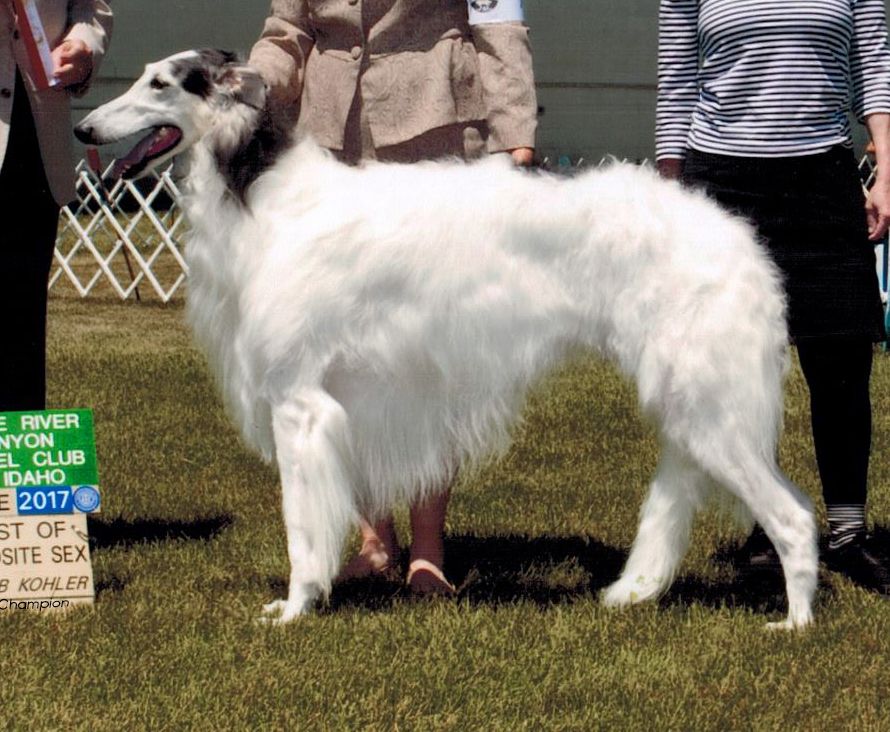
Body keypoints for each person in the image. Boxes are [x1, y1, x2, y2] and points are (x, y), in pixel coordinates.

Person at [248, 0, 537, 594]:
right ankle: (374, 538)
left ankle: (429, 548)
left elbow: (496, 21)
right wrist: (250, 86)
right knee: (346, 357)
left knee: (433, 353)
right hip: (330, 150)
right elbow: (286, 34)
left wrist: (515, 136)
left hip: (433, 135)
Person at [656, 0, 890, 593]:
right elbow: (678, 76)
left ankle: (847, 535)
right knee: (741, 368)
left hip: (823, 176)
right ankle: (764, 525)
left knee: (840, 359)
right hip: (726, 182)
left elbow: (874, 62)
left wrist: (886, 165)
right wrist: (670, 193)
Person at [0, 0, 112, 412]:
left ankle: (19, 470)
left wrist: (83, 50)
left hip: (35, 142)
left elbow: (90, 9)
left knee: (21, 322)